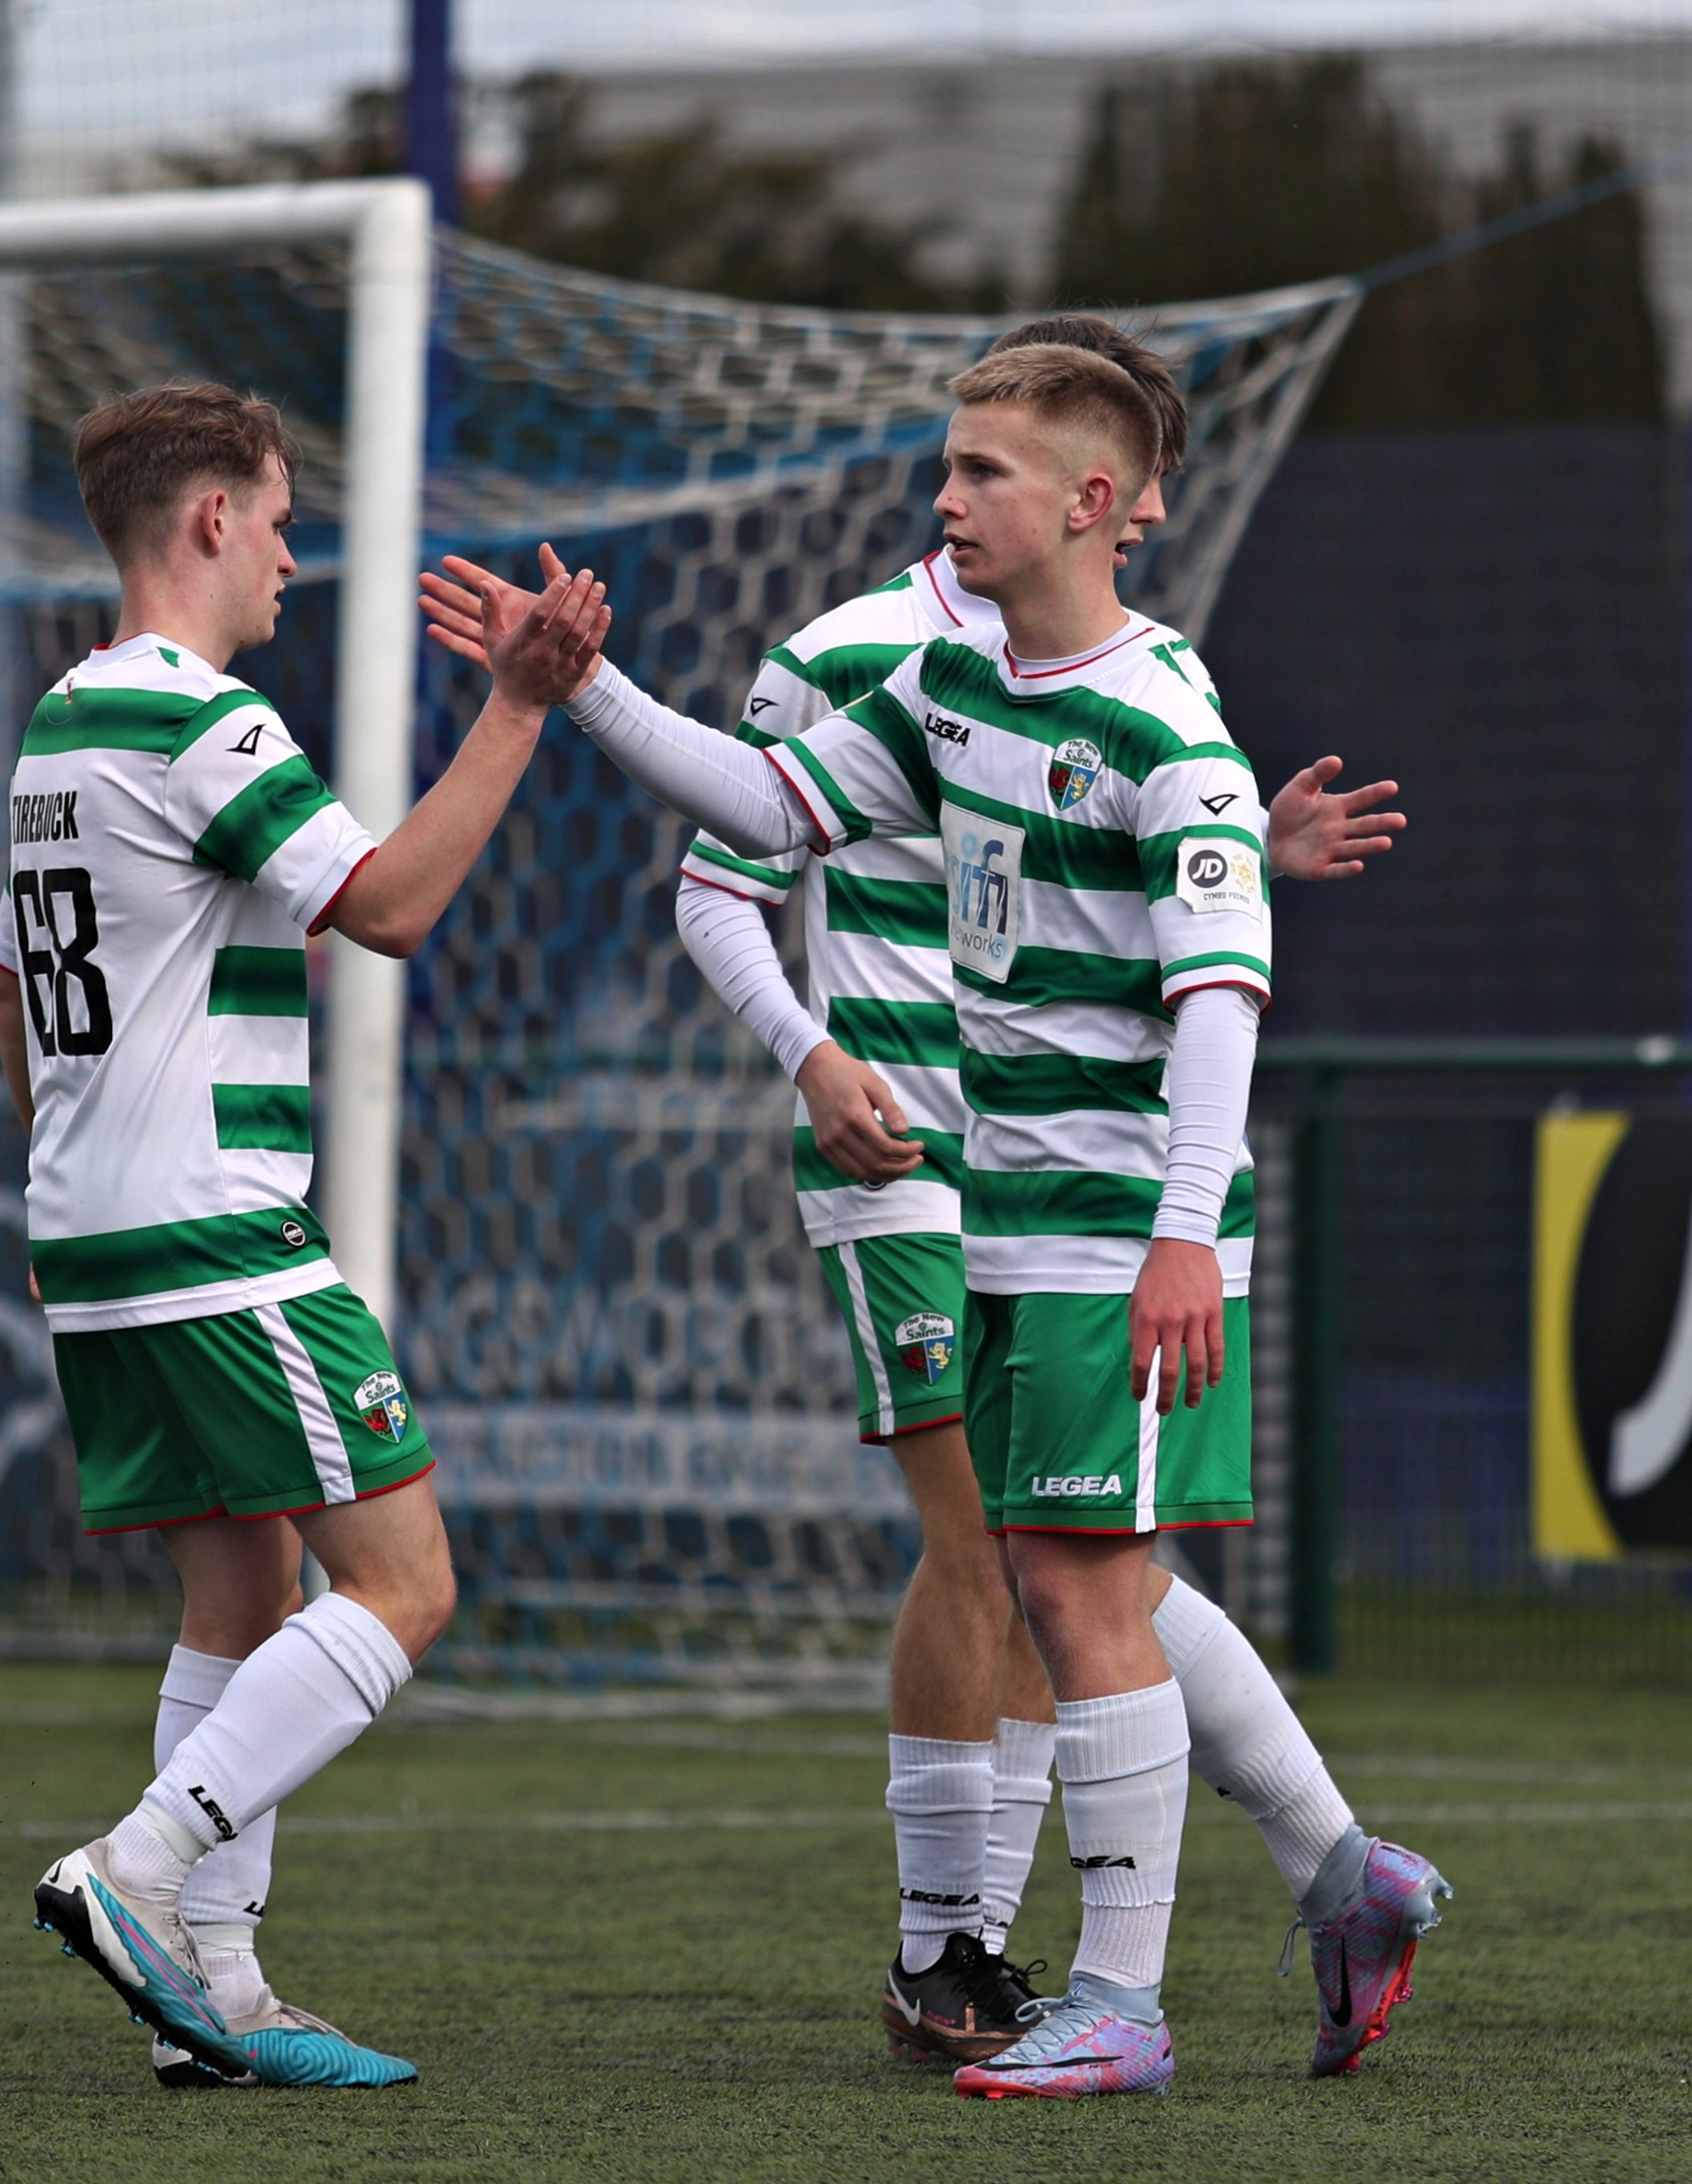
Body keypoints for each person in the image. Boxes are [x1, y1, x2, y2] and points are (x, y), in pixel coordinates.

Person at [425, 341, 1447, 2098]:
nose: (943, 496)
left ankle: (1118, 2000)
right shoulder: (948, 692)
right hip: (1000, 1216)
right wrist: (580, 689)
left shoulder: (1168, 722)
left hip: (1120, 1225)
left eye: (979, 470)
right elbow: (763, 812)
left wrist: (1183, 1234)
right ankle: (1331, 1881)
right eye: (948, 465)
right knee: (1062, 1579)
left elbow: (1220, 997)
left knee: (1080, 1592)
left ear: (1092, 506)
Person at [5, 383, 608, 2087]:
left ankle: (217, 2000)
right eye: (274, 516)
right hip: (213, 1234)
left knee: (244, 1584)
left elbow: (5, 978)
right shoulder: (205, 717)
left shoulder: (61, 719)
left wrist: (59, 1180)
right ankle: (136, 1866)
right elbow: (398, 905)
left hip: (98, 1240)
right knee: (405, 1581)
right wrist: (520, 706)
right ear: (205, 520)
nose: (288, 550)